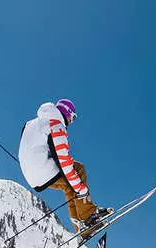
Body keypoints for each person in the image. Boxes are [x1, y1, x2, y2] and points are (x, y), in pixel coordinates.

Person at [18, 99, 111, 239]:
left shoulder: (31, 123)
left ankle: (81, 227)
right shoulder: (56, 123)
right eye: (72, 117)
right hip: (42, 169)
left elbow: (27, 145)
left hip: (30, 174)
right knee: (78, 169)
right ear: (67, 113)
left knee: (68, 187)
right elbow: (63, 160)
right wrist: (81, 189)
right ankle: (88, 217)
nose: (72, 121)